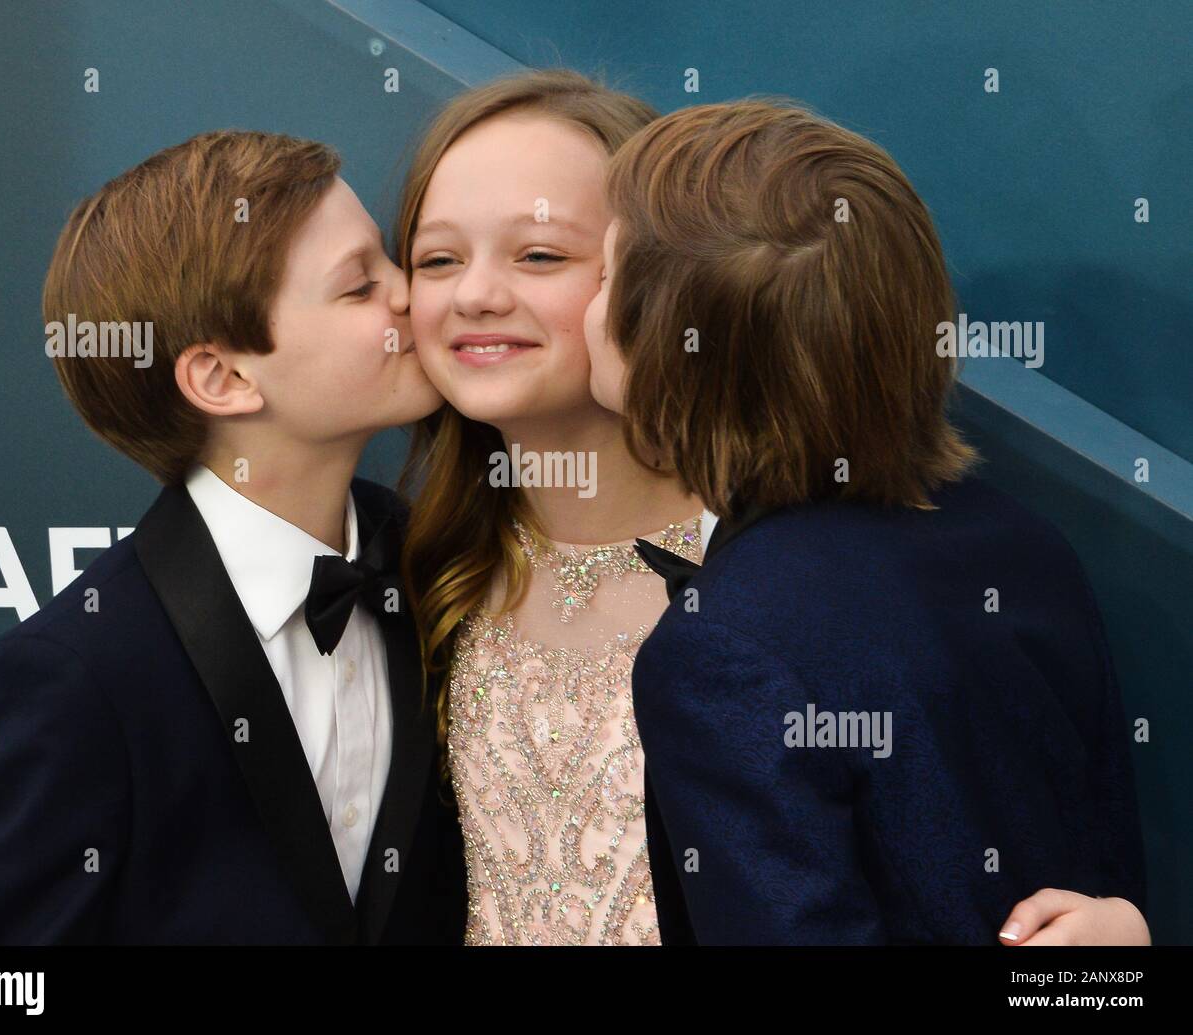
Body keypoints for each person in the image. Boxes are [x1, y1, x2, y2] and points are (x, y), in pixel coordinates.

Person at [397, 70, 1147, 945]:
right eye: (436, 257)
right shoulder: (413, 569)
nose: (478, 293)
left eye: (558, 260)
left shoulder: (734, 634)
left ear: (673, 332)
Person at [0, 130, 466, 944]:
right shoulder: (80, 672)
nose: (413, 295)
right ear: (223, 378)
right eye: (361, 286)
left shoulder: (446, 562)